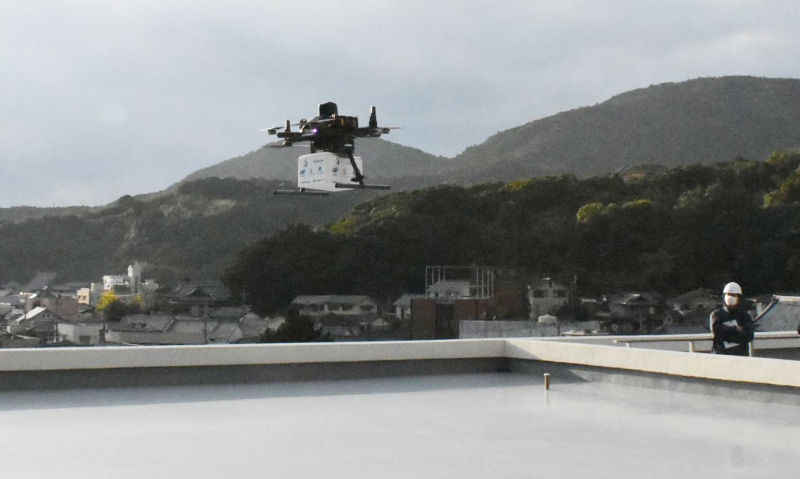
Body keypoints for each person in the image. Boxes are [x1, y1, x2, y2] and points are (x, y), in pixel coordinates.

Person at [710, 282, 755, 356]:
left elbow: (749, 335)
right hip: (721, 356)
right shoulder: (716, 314)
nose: (730, 297)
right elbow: (717, 331)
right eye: (728, 294)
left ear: (739, 298)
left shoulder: (745, 315)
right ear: (724, 296)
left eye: (733, 295)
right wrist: (735, 329)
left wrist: (726, 336)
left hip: (740, 356)